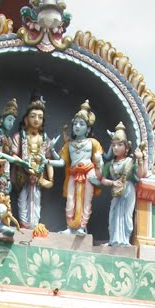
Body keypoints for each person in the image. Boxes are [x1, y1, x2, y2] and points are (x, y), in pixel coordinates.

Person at [11, 96, 62, 228]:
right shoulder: (19, 136)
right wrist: (24, 164)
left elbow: (49, 161)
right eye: (33, 116)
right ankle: (23, 225)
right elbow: (13, 156)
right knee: (22, 200)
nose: (36, 120)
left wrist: (50, 180)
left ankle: (33, 226)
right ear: (26, 119)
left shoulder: (45, 139)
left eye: (40, 117)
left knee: (36, 201)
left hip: (38, 177)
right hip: (22, 175)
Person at [96, 121, 146, 245]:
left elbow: (140, 175)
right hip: (116, 192)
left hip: (128, 190)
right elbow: (101, 178)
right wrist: (112, 183)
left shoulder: (130, 161)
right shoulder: (110, 164)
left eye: (119, 145)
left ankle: (124, 241)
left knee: (126, 216)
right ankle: (114, 240)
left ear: (127, 147)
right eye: (113, 145)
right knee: (113, 216)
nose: (116, 148)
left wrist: (140, 159)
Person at [59, 100, 103, 235]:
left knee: (85, 201)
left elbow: (100, 163)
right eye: (75, 124)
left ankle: (81, 227)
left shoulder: (93, 143)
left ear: (88, 128)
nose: (77, 126)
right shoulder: (69, 145)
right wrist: (48, 160)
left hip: (88, 174)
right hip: (73, 174)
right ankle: (70, 227)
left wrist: (99, 175)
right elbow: (61, 162)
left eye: (81, 124)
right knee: (70, 200)